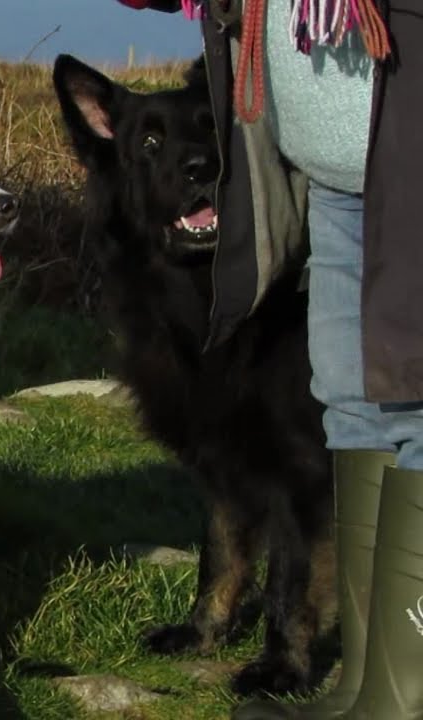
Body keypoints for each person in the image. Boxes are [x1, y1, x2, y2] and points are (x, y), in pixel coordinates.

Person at [112, 2, 423, 718]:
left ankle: (402, 693)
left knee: (411, 399)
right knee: (348, 400)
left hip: (404, 155)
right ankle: (364, 681)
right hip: (329, 174)